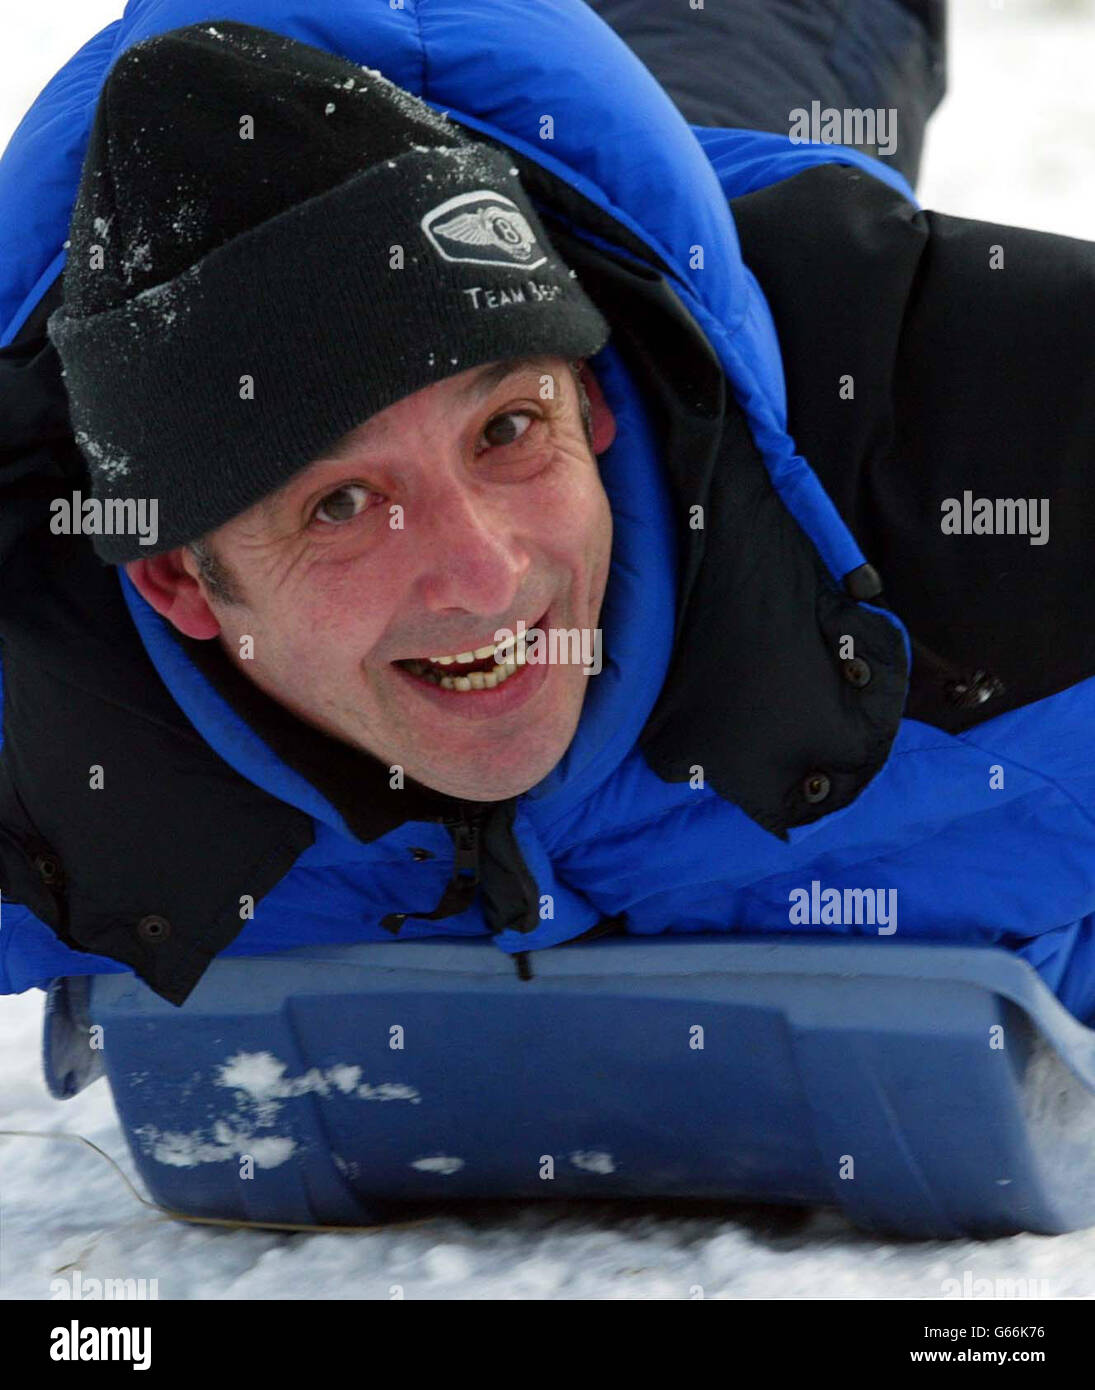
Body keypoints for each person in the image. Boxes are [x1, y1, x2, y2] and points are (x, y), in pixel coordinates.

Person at [2, 1, 1094, 1025]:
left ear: (598, 402)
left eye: (508, 430)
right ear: (178, 578)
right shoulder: (35, 704)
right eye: (340, 502)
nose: (483, 578)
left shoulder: (1000, 467)